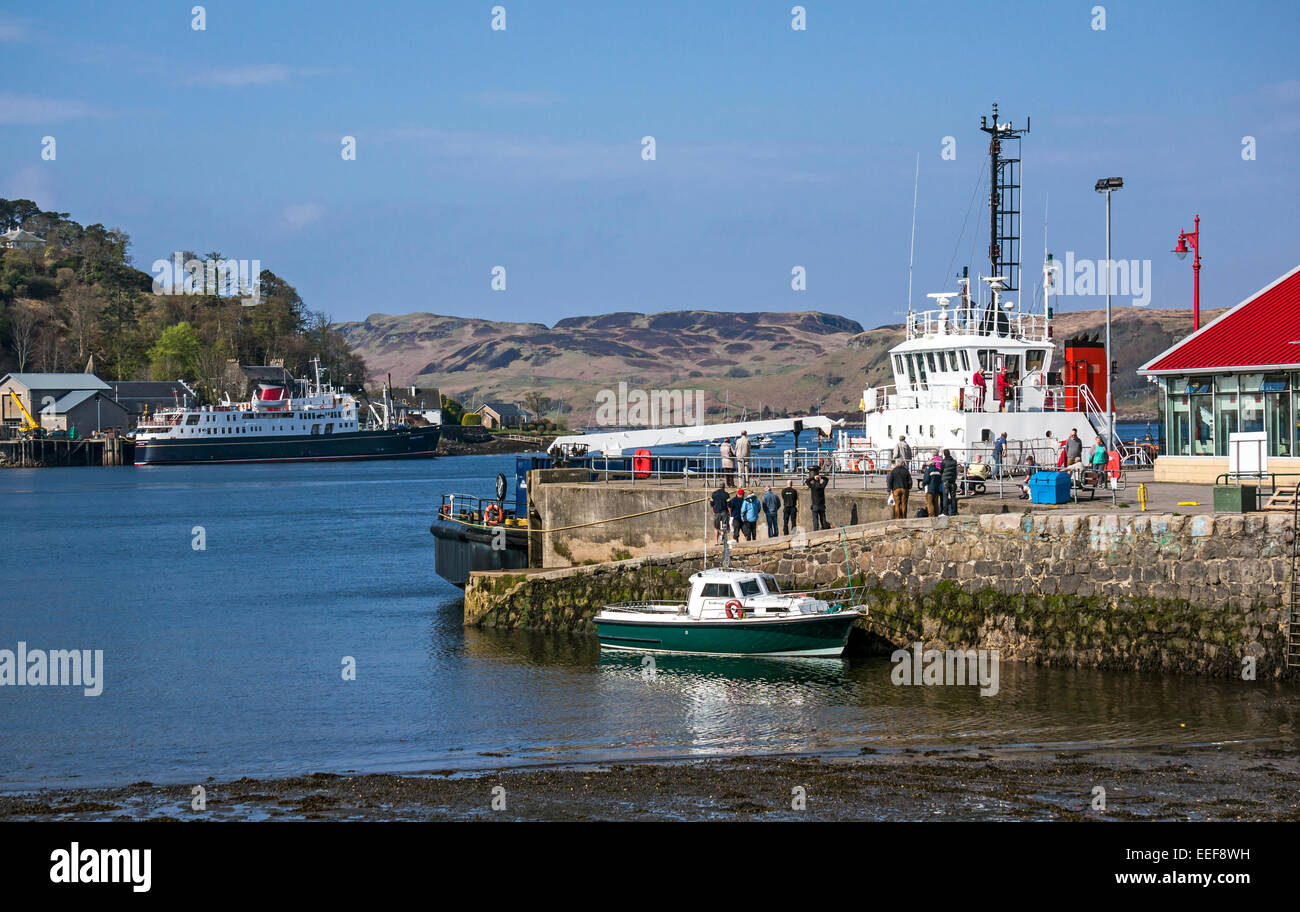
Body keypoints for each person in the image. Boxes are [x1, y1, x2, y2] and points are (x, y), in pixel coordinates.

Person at [940, 449, 959, 515]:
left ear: (944, 454)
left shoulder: (943, 462)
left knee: (945, 497)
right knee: (953, 497)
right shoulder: (954, 462)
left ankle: (945, 512)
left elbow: (941, 470)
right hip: (953, 481)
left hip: (945, 481)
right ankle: (954, 512)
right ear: (949, 453)